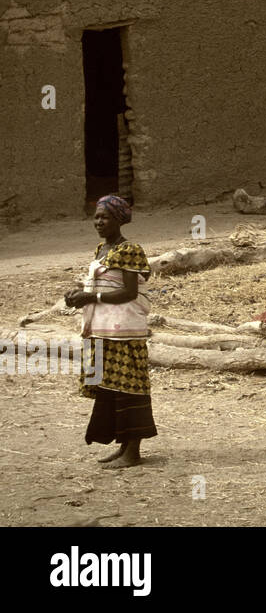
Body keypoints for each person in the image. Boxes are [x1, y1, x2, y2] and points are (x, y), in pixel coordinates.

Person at [64, 194, 156, 468]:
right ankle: (123, 445)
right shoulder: (101, 250)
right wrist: (78, 293)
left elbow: (128, 291)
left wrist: (91, 297)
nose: (99, 222)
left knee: (130, 387)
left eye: (104, 217)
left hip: (125, 331)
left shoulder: (130, 249)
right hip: (103, 329)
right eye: (96, 217)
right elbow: (100, 285)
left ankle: (133, 452)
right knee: (112, 387)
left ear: (119, 219)